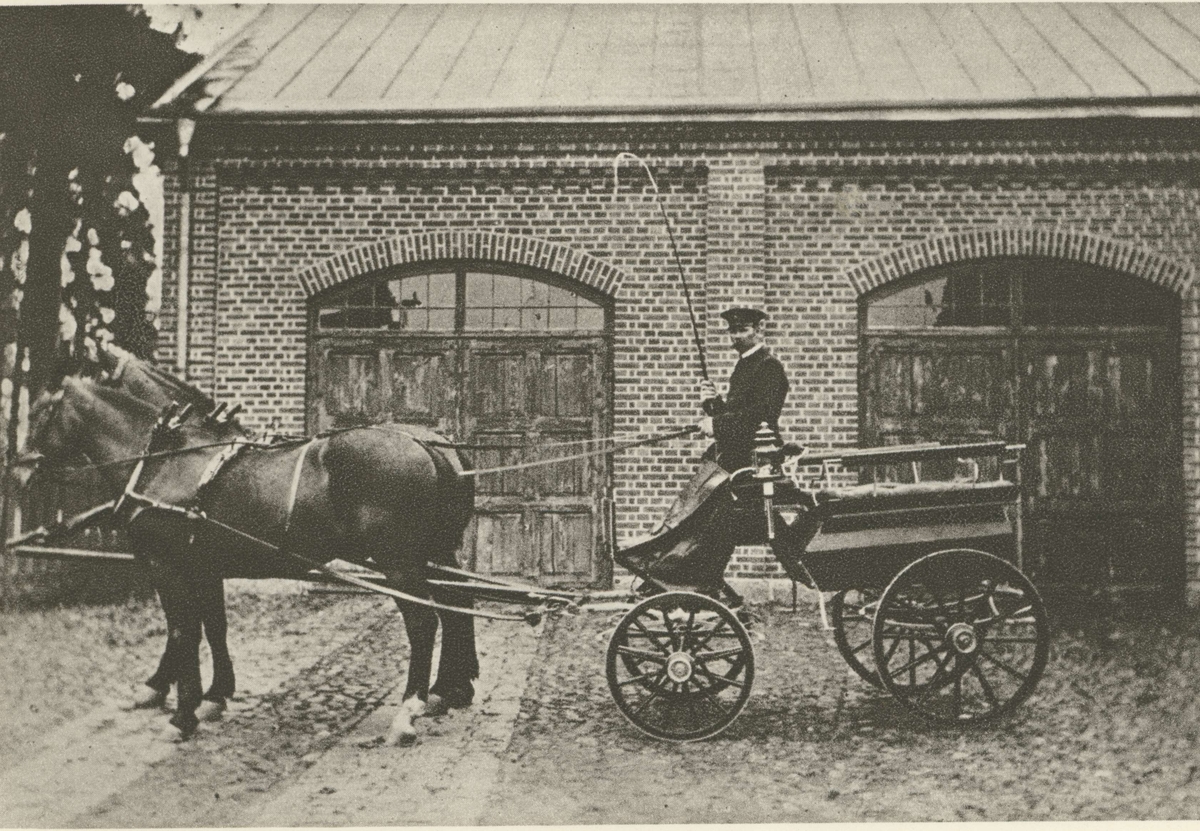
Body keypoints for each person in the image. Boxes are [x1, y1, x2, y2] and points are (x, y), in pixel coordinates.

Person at [620, 306, 792, 597]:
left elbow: (760, 416)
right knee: (690, 505)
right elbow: (734, 417)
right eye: (732, 331)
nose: (736, 336)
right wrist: (712, 404)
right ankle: (671, 570)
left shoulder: (768, 366)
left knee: (706, 516)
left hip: (752, 461)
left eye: (743, 330)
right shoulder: (744, 365)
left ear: (758, 330)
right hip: (733, 457)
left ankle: (690, 578)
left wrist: (716, 421)